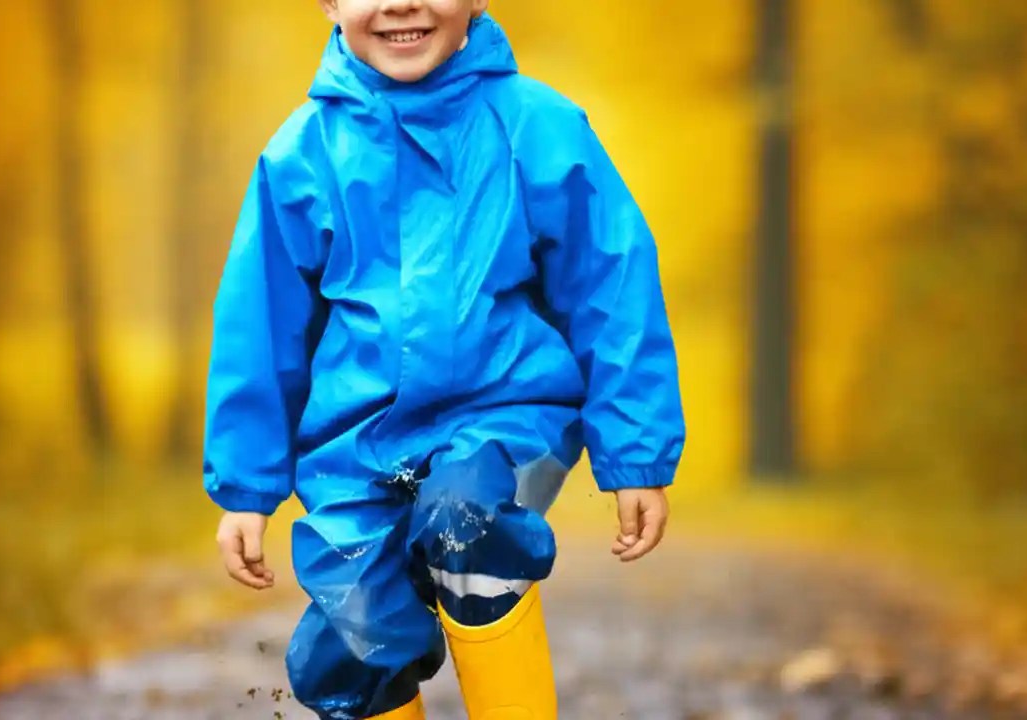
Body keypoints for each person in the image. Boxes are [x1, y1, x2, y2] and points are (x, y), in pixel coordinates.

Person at [202, 1, 685, 717]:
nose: (401, 3)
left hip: (504, 419)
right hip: (353, 447)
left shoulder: (536, 127)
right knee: (348, 646)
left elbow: (611, 287)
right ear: (330, 3)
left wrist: (634, 452)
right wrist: (247, 486)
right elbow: (261, 327)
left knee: (467, 517)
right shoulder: (301, 155)